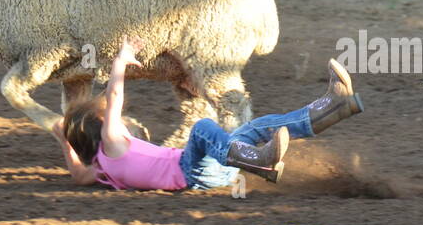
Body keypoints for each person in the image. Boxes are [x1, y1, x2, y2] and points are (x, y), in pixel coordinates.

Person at [53, 38, 365, 190]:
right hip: (192, 171)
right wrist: (120, 62)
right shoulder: (112, 144)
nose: (118, 120)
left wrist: (65, 141)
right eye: (110, 118)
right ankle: (259, 159)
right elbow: (115, 94)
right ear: (100, 128)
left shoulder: (103, 170)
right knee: (202, 127)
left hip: (216, 168)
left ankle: (330, 108)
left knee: (255, 127)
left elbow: (79, 176)